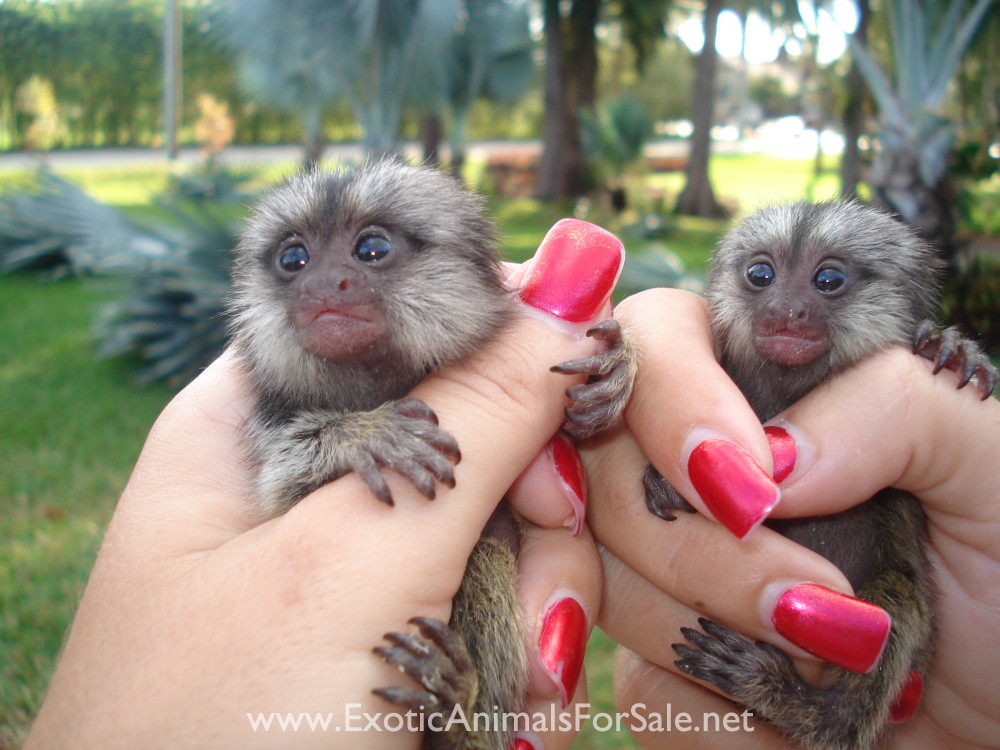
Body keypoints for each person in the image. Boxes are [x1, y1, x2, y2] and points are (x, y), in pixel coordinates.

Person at [23, 235, 625, 750]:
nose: (328, 280)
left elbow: (588, 414)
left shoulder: (503, 342)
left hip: (481, 615)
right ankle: (458, 704)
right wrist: (357, 434)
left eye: (372, 250)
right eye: (293, 260)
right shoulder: (275, 401)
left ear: (465, 261)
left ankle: (464, 710)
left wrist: (615, 368)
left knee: (493, 578)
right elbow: (287, 473)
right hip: (388, 641)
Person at [588, 288, 1000, 749]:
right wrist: (625, 378)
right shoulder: (723, 375)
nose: (790, 305)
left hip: (880, 610)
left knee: (896, 604)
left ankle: (817, 712)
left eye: (830, 281)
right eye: (761, 275)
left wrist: (948, 362)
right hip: (772, 622)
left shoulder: (902, 373)